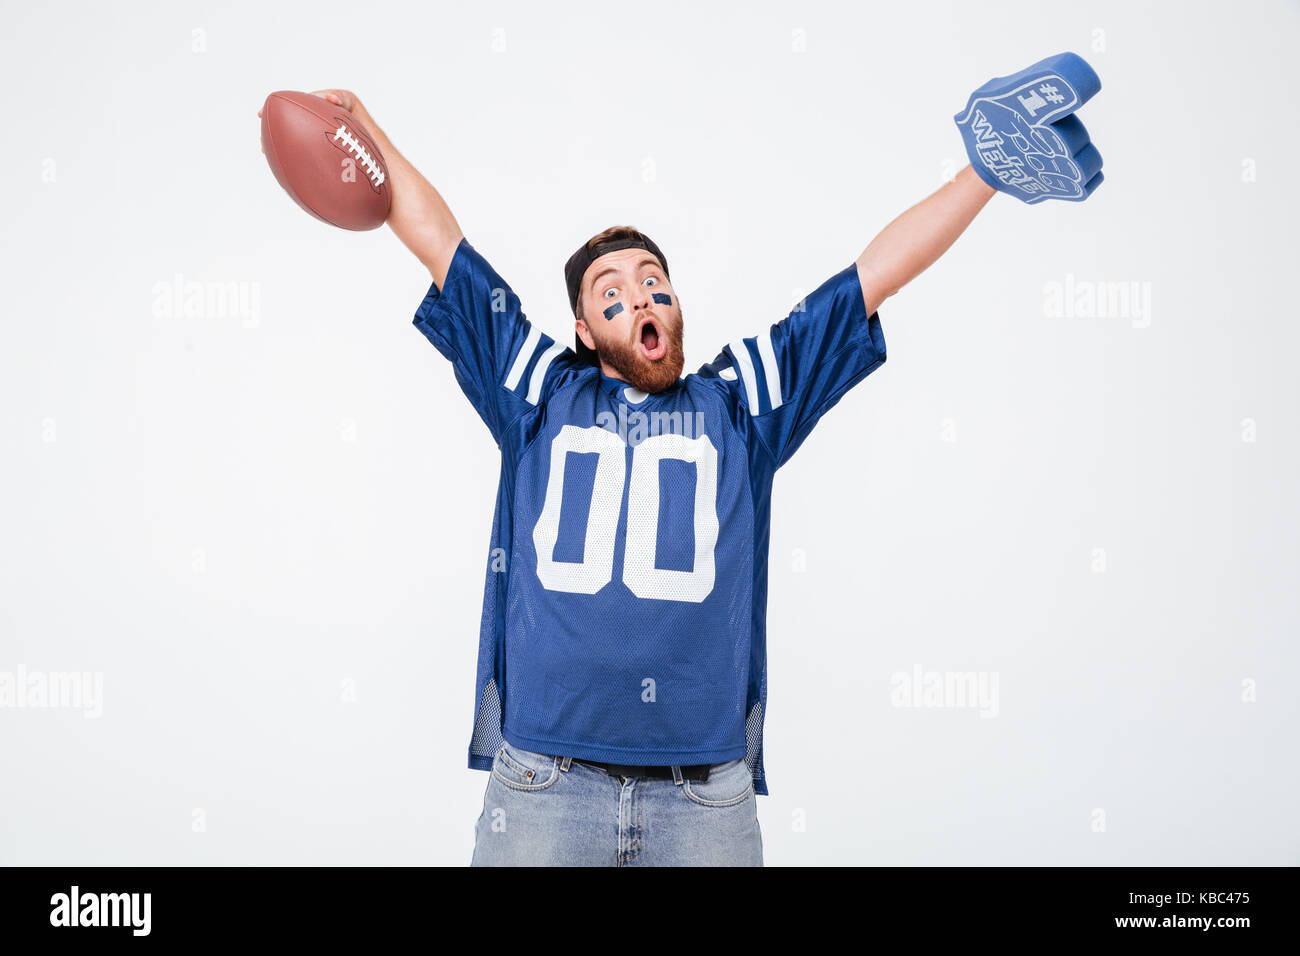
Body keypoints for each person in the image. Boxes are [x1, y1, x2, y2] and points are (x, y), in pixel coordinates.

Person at [265, 88, 999, 866]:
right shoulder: (540, 391)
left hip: (703, 796)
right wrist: (367, 135)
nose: (639, 294)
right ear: (583, 331)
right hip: (545, 783)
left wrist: (983, 174)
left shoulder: (741, 405)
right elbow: (440, 244)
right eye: (610, 292)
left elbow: (869, 278)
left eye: (653, 281)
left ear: (677, 305)